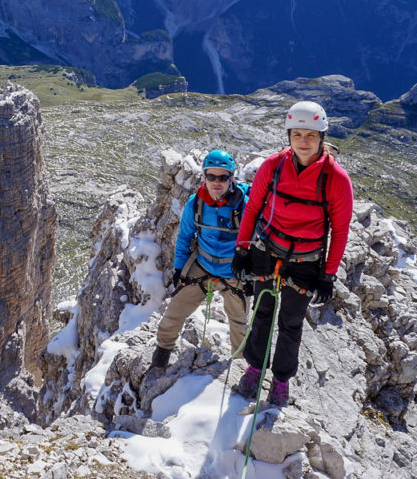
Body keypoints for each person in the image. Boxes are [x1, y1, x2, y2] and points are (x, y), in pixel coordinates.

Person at [230, 101, 353, 406]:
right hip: (268, 252)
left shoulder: (336, 180)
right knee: (262, 312)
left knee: (291, 322)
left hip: (306, 261)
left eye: (310, 135)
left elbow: (340, 231)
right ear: (288, 136)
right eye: (297, 134)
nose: (303, 142)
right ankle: (255, 369)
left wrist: (328, 274)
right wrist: (242, 248)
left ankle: (281, 380)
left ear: (322, 137)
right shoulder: (273, 167)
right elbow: (253, 208)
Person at [150, 149, 250, 370]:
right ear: (204, 177)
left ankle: (240, 368)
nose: (217, 182)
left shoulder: (245, 205)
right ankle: (162, 353)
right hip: (202, 267)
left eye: (223, 177)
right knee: (174, 312)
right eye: (211, 176)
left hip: (234, 273)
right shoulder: (196, 204)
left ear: (231, 178)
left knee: (240, 325)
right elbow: (185, 237)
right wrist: (179, 270)